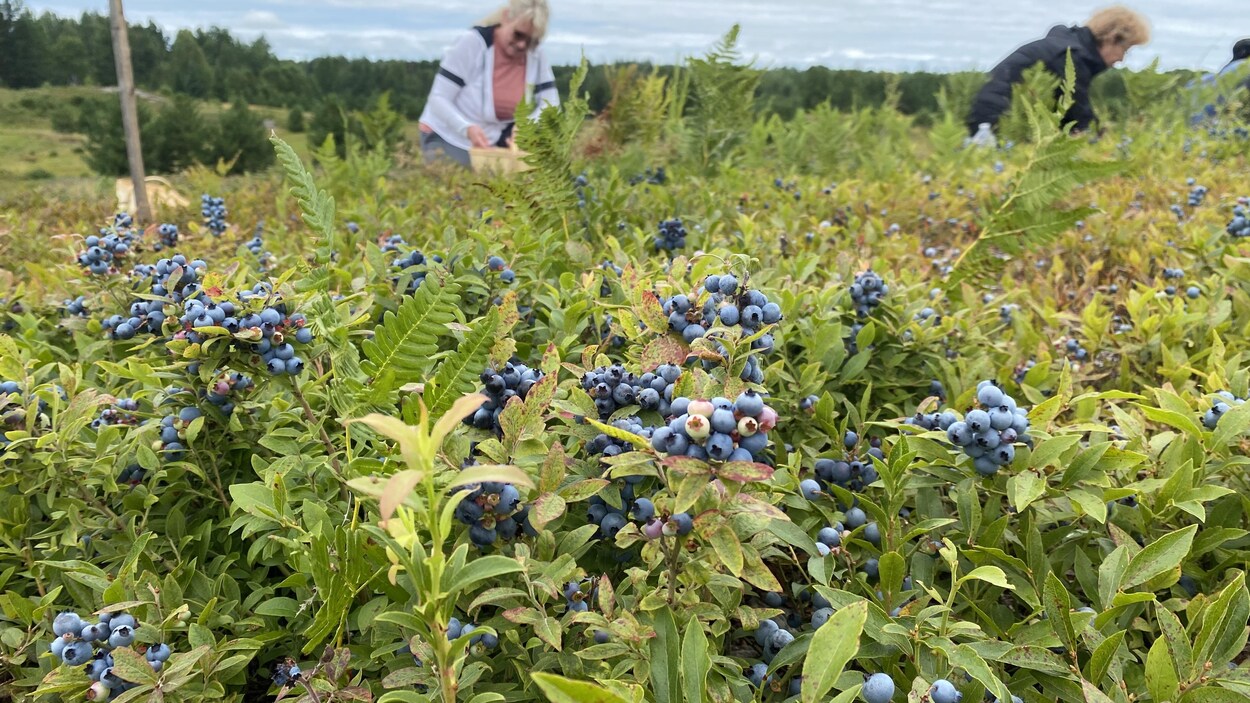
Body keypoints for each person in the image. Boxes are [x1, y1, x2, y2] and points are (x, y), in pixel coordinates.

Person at [967, 6, 1150, 144]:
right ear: (1111, 38)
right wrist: (1108, 140)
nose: (1120, 59)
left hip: (991, 122)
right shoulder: (1071, 57)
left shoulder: (1065, 48)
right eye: (1125, 50)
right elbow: (1078, 118)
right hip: (996, 129)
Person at [419, 0, 560, 168]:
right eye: (518, 34)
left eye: (531, 40)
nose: (523, 44)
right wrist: (466, 128)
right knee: (459, 190)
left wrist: (528, 125)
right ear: (506, 17)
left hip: (495, 143)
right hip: (448, 136)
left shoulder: (536, 55)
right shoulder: (472, 43)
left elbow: (551, 104)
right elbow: (438, 98)